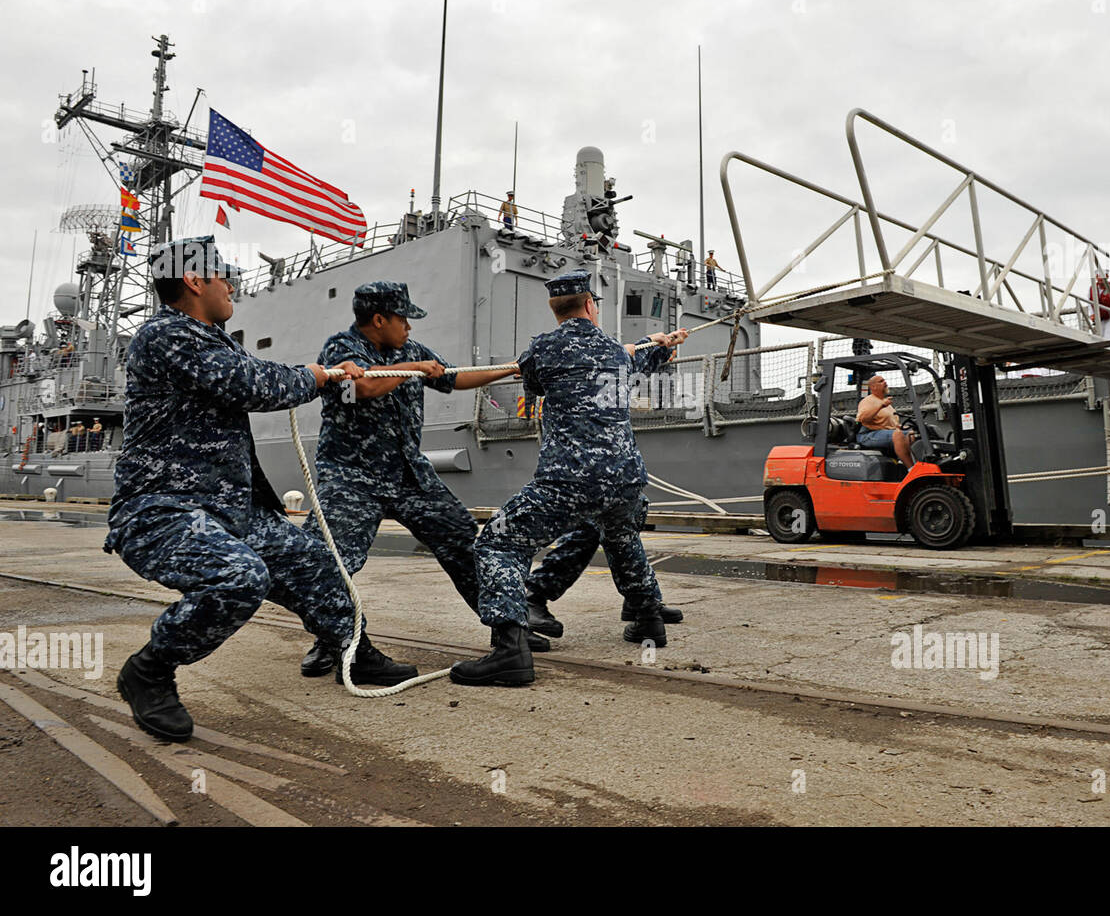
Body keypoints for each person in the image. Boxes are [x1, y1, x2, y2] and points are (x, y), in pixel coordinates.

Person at [104, 236, 414, 743]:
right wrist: (319, 374)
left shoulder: (211, 337)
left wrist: (329, 375)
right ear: (194, 280)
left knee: (315, 562)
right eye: (223, 273)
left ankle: (353, 651)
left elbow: (251, 375)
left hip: (231, 508)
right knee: (238, 579)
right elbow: (252, 384)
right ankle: (150, 671)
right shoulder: (166, 335)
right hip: (165, 511)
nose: (232, 283)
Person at [296, 280, 541, 679]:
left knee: (462, 539)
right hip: (352, 477)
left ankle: (506, 629)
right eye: (402, 318)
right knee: (330, 560)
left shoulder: (411, 350)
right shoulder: (341, 350)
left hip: (409, 473)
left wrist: (510, 368)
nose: (409, 327)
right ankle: (334, 641)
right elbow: (361, 387)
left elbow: (452, 377)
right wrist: (411, 370)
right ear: (379, 319)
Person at [453, 270, 688, 686]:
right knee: (619, 535)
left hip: (570, 476)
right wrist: (664, 345)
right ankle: (649, 620)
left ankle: (509, 649)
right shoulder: (618, 351)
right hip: (626, 477)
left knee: (498, 542)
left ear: (554, 308)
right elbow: (643, 358)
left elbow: (536, 386)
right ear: (591, 305)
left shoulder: (544, 348)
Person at [855, 375, 916, 467]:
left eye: (884, 380)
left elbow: (891, 424)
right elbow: (863, 419)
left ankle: (914, 463)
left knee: (912, 433)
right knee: (898, 434)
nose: (885, 382)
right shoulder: (868, 401)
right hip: (868, 435)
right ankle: (911, 468)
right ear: (873, 387)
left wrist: (903, 427)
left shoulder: (886, 403)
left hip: (884, 432)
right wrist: (881, 406)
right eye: (881, 381)